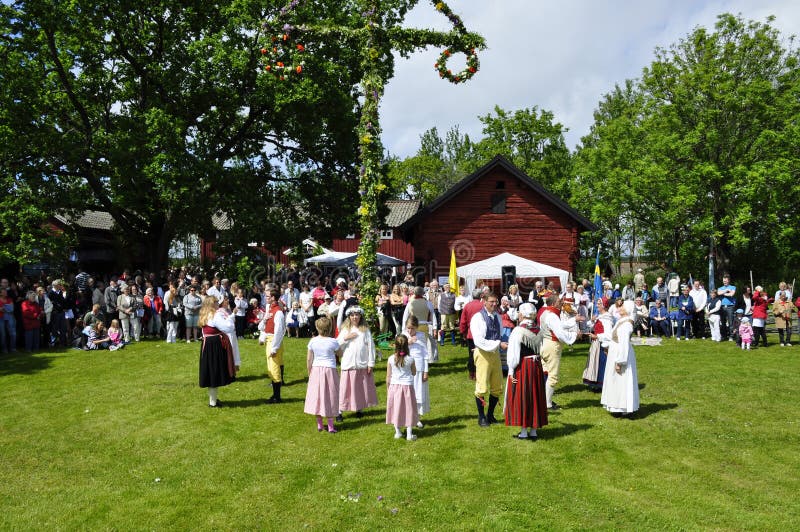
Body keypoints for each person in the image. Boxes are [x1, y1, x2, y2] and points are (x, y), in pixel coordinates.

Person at [504, 303, 548, 440]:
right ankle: (534, 430)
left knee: (523, 395)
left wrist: (511, 370)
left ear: (522, 314)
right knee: (535, 394)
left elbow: (514, 353)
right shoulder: (538, 329)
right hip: (536, 365)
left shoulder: (518, 330)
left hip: (524, 366)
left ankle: (523, 432)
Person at [470, 291, 506, 427]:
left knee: (497, 386)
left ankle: (490, 414)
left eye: (495, 302)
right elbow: (479, 340)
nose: (494, 304)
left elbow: (500, 333)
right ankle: (481, 417)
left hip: (495, 353)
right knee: (482, 386)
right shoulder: (478, 318)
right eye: (491, 301)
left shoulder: (498, 316)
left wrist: (501, 343)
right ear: (484, 302)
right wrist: (498, 344)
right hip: (483, 353)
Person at [537, 293, 579, 410]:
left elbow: (558, 325)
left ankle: (544, 400)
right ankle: (547, 404)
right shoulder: (552, 316)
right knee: (552, 376)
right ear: (554, 303)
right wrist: (574, 335)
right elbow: (559, 332)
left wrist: (573, 320)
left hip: (543, 344)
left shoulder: (545, 313)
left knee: (545, 373)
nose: (561, 303)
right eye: (559, 301)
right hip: (552, 346)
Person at [336, 306, 378, 421]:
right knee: (345, 389)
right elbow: (337, 345)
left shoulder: (365, 330)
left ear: (360, 316)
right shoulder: (345, 329)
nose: (355, 317)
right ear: (349, 317)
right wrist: (346, 338)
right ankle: (339, 410)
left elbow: (371, 347)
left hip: (362, 364)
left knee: (360, 388)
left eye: (357, 315)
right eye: (352, 315)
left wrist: (370, 363)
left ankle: (359, 408)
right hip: (348, 364)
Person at [600, 300, 640, 416]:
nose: (619, 306)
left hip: (621, 354)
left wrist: (620, 362)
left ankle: (624, 407)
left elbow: (624, 345)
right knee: (615, 380)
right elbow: (612, 336)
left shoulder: (626, 324)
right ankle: (616, 406)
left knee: (622, 379)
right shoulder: (621, 321)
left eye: (622, 306)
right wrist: (599, 337)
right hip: (615, 352)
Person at [304, 317, 341, 433]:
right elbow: (340, 353)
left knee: (317, 395)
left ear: (317, 328)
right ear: (329, 328)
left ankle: (320, 424)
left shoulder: (313, 341)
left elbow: (309, 359)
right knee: (331, 395)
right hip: (329, 369)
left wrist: (309, 371)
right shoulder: (333, 342)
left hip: (316, 369)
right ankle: (330, 425)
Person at [198, 296, 236, 408]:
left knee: (211, 372)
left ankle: (212, 400)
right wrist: (230, 318)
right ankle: (213, 403)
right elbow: (227, 328)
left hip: (208, 344)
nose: (217, 304)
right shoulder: (214, 315)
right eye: (216, 302)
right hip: (214, 345)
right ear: (211, 304)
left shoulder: (204, 314)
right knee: (214, 372)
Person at [385, 334, 419, 441]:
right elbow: (414, 373)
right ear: (406, 346)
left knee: (396, 408)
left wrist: (388, 388)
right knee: (409, 409)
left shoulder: (391, 359)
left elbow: (388, 376)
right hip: (407, 387)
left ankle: (398, 432)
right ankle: (409, 434)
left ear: (395, 345)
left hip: (394, 387)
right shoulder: (410, 359)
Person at [259, 287, 286, 403]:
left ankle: (277, 397)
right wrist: (264, 320)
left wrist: (274, 347)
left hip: (274, 341)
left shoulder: (278, 312)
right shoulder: (269, 309)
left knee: (274, 368)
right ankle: (275, 395)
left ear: (273, 298)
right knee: (273, 367)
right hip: (270, 340)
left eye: (268, 296)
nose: (266, 298)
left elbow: (279, 331)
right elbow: (262, 327)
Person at [404, 316, 429, 428]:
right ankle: (407, 417)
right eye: (408, 328)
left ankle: (417, 417)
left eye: (412, 328)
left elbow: (425, 354)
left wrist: (425, 371)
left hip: (419, 369)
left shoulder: (421, 336)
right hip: (406, 370)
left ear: (417, 327)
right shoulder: (403, 336)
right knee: (408, 394)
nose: (410, 331)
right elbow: (398, 350)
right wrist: (408, 343)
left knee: (418, 393)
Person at [583, 301, 613, 391]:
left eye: (599, 304)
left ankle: (601, 384)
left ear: (604, 306)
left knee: (601, 363)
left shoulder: (607, 319)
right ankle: (595, 382)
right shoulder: (600, 317)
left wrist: (597, 336)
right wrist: (592, 320)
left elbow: (609, 335)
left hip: (602, 344)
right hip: (596, 343)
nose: (597, 305)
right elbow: (590, 326)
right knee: (595, 362)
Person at [459, 289, 484, 380]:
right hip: (481, 333)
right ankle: (477, 372)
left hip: (471, 334)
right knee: (481, 354)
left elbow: (463, 321)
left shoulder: (467, 306)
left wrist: (463, 333)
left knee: (471, 354)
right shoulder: (483, 305)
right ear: (480, 296)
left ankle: (471, 373)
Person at [718, 274, 737, 341]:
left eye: (725, 281)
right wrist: (726, 291)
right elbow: (718, 293)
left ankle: (731, 336)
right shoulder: (720, 288)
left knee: (730, 322)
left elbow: (732, 294)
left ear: (728, 281)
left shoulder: (733, 287)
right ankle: (724, 335)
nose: (724, 282)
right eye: (723, 281)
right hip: (722, 307)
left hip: (730, 306)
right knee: (722, 322)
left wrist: (723, 293)